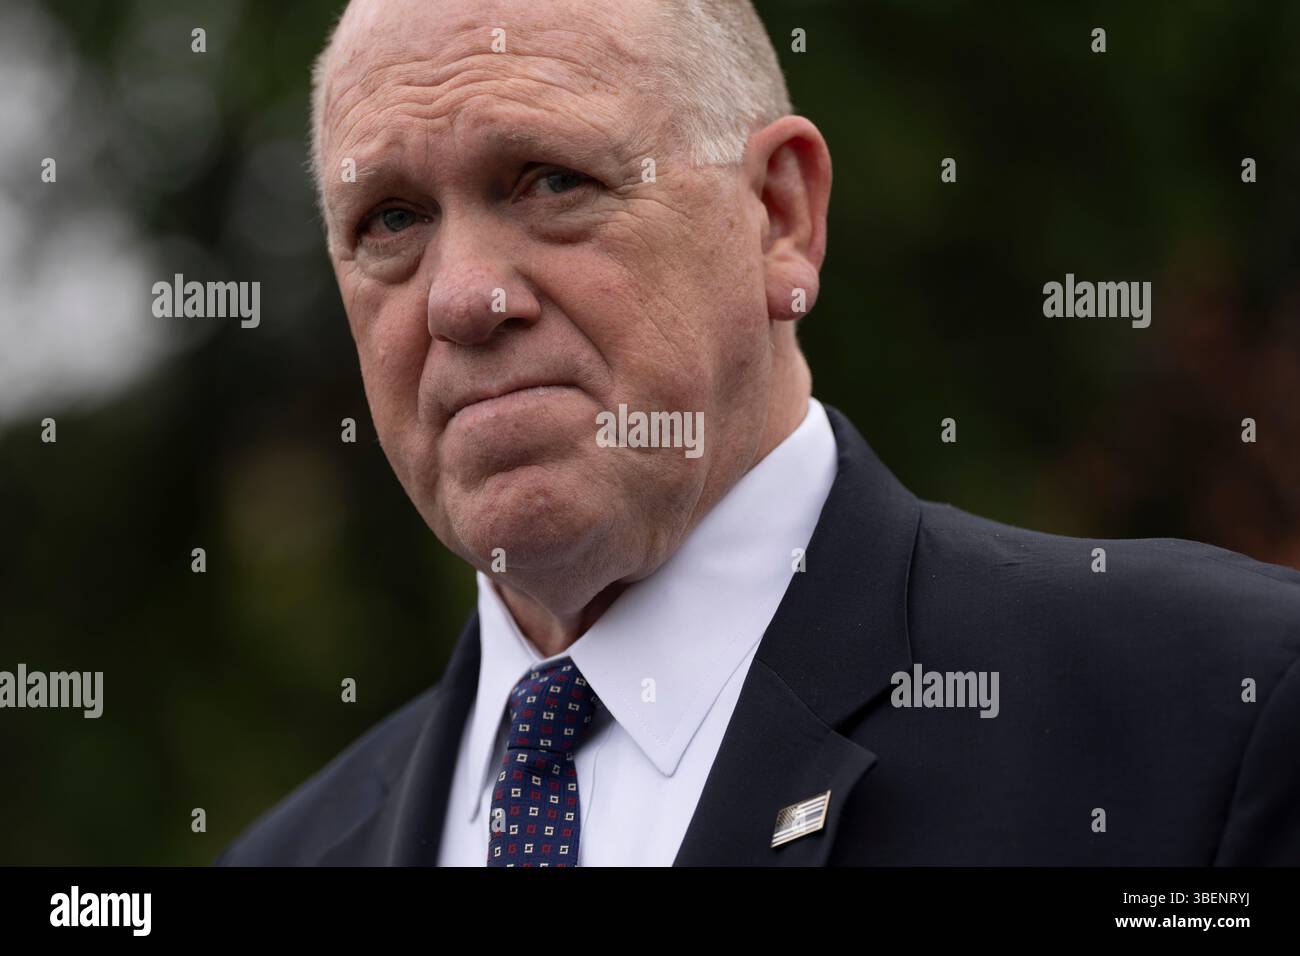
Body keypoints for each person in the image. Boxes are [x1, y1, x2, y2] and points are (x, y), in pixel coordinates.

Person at [216, 0, 1300, 866]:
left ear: (779, 217)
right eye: (392, 221)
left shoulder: (1216, 710)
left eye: (550, 180)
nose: (460, 297)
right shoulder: (288, 853)